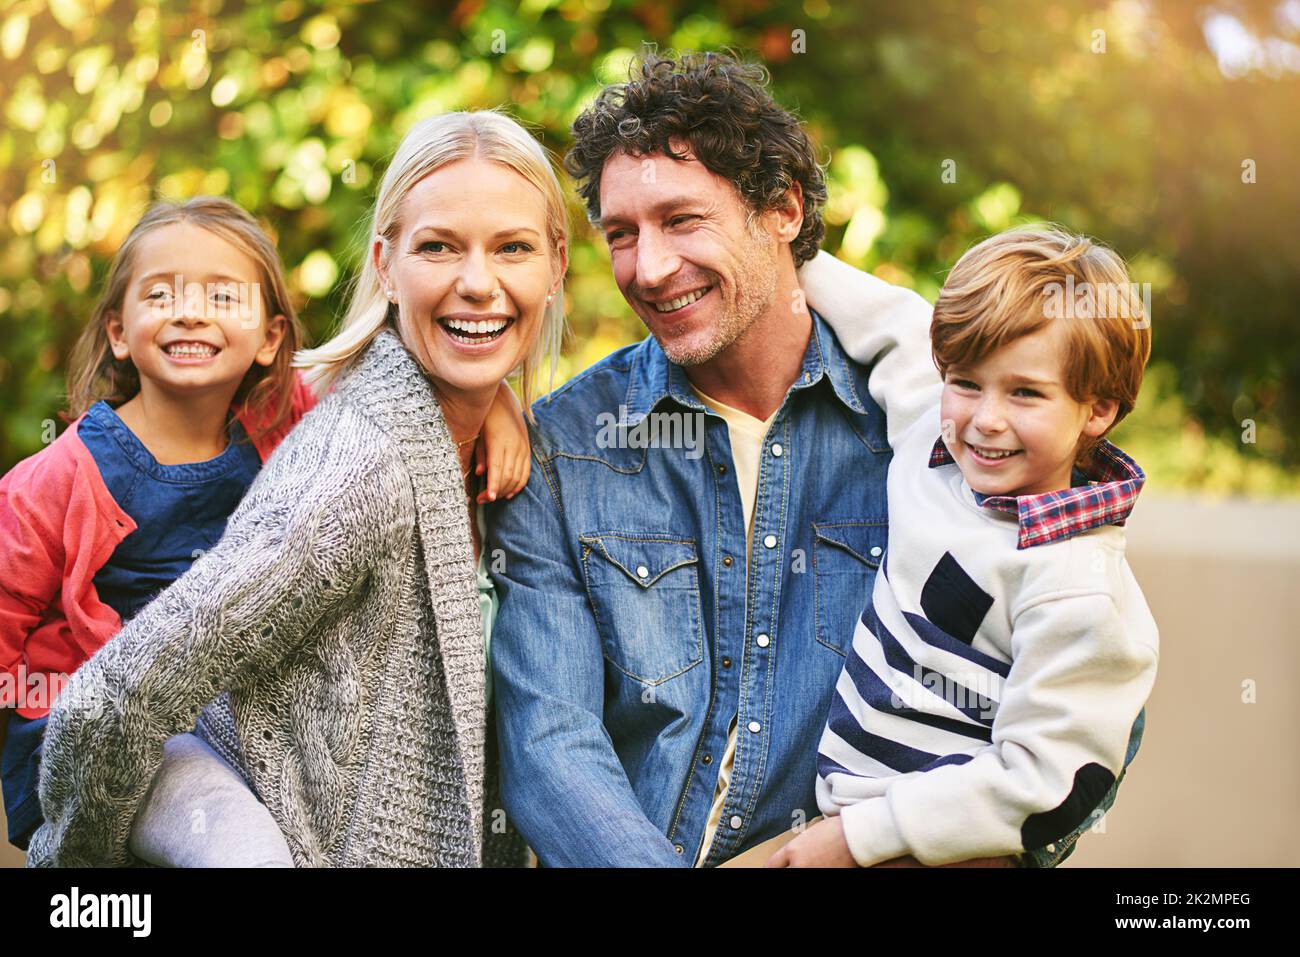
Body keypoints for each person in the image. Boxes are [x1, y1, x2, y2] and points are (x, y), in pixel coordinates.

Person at [488, 50, 1142, 867]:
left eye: (684, 220)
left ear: (784, 210)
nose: (648, 269)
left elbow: (1077, 707)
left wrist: (918, 842)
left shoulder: (923, 434)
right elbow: (550, 742)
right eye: (622, 233)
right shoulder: (568, 443)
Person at [24, 109, 556, 867]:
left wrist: (500, 401)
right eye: (438, 246)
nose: (478, 282)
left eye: (513, 247)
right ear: (384, 263)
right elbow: (119, 692)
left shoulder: (508, 447)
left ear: (557, 264)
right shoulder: (359, 466)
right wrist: (77, 873)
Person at [766, 227, 1158, 866]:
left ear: (1097, 410)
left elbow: (1045, 785)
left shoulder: (1078, 589)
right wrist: (775, 251)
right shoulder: (935, 441)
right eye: (967, 382)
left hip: (942, 849)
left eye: (1026, 393)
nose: (986, 418)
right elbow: (891, 321)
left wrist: (862, 837)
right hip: (845, 816)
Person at [0, 196, 314, 864]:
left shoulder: (285, 429)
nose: (190, 310)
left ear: (270, 337)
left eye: (222, 295)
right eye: (162, 293)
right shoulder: (58, 477)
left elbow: (393, 388)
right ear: (119, 331)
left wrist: (490, 410)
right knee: (244, 851)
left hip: (235, 720)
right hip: (116, 736)